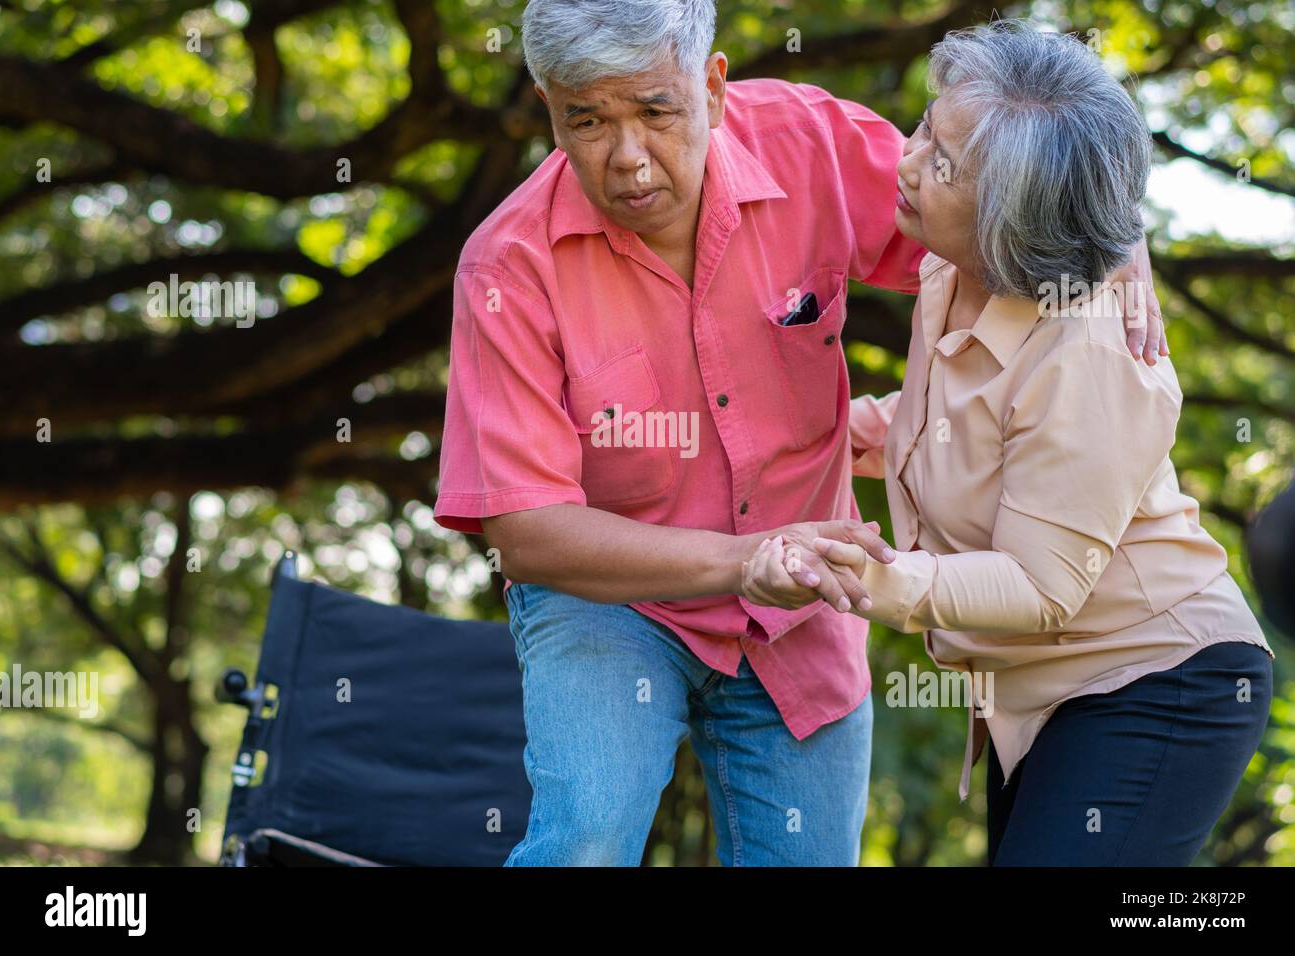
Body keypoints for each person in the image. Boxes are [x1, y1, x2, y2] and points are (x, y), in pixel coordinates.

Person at [434, 1, 1163, 866]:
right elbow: (525, 531)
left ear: (712, 87)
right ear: (548, 105)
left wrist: (1113, 240)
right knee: (585, 840)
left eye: (656, 112)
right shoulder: (505, 265)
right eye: (584, 120)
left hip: (799, 607)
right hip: (614, 601)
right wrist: (743, 560)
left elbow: (994, 206)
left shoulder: (809, 141)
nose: (625, 158)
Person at [744, 20, 1274, 866]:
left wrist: (879, 578)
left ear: (1011, 217)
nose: (908, 161)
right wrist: (809, 435)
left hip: (1154, 682)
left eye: (944, 163)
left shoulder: (1092, 348)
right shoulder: (947, 268)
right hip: (1030, 696)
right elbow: (943, 426)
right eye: (923, 127)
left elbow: (1037, 585)